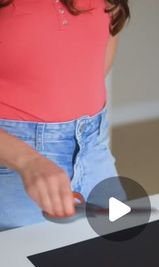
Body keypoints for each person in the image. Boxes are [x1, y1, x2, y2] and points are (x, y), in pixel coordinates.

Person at [0, 0, 130, 230]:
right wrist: (27, 159)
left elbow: (99, 53)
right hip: (13, 166)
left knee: (119, 259)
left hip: (94, 153)